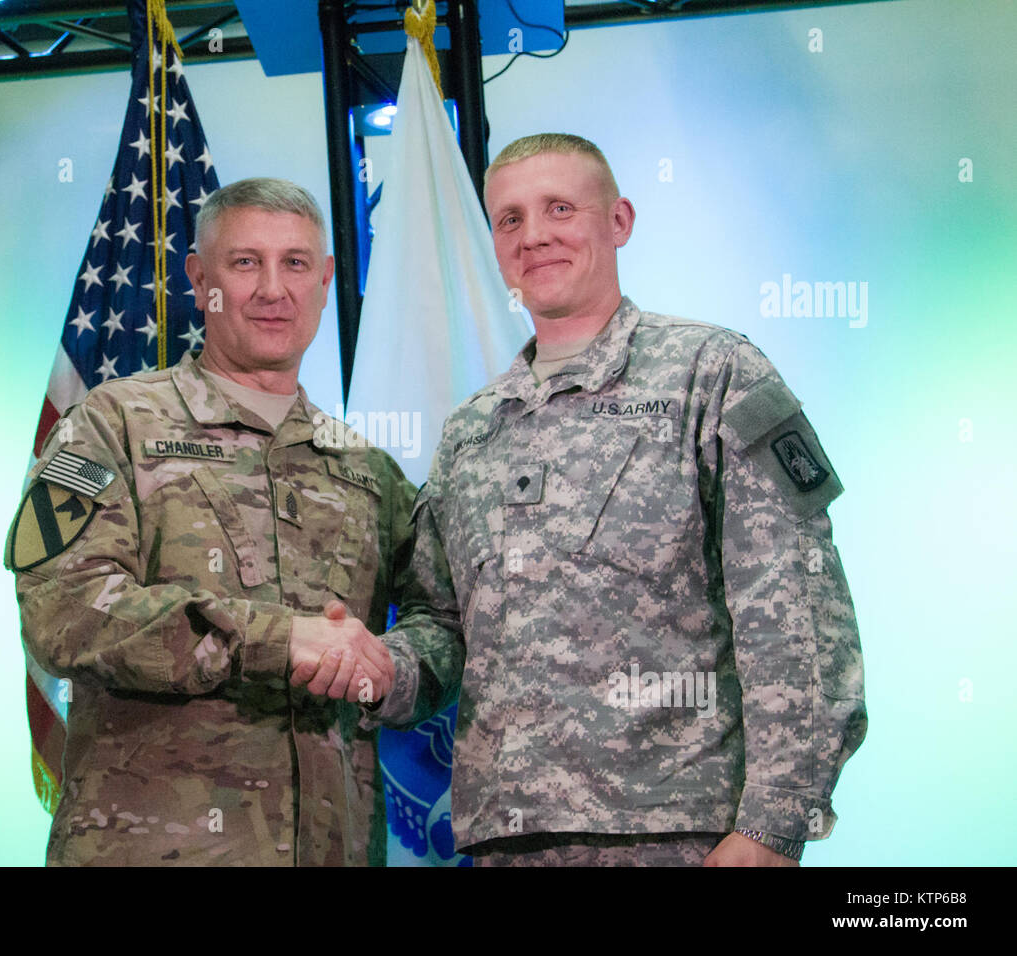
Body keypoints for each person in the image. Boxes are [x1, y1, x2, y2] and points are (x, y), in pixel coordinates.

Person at [305, 133, 868, 866]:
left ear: (619, 221)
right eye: (509, 219)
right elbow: (443, 624)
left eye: (559, 208)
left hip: (679, 835)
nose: (533, 235)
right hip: (507, 838)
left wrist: (773, 823)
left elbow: (796, 609)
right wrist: (386, 668)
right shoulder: (472, 431)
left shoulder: (713, 373)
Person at [4, 177, 414, 866]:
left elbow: (443, 617)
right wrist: (280, 640)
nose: (273, 289)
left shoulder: (366, 468)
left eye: (295, 263)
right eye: (245, 262)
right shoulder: (110, 426)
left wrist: (391, 668)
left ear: (326, 280)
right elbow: (62, 612)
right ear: (200, 280)